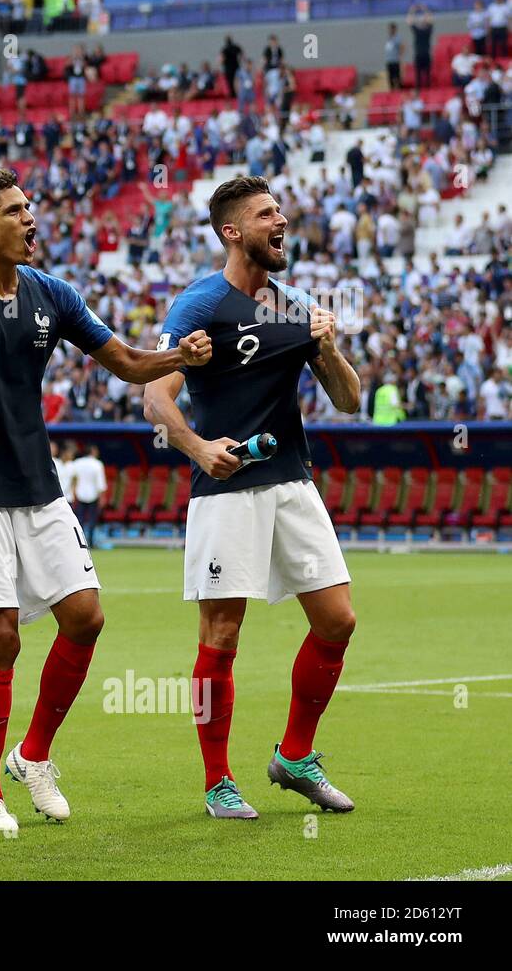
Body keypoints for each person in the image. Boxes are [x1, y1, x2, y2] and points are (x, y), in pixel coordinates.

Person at [0, 166, 212, 833]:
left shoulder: (53, 294)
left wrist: (181, 354)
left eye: (30, 206)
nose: (31, 218)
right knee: (0, 639)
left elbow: (122, 360)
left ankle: (32, 755)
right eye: (15, 210)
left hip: (39, 487)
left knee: (87, 618)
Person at [143, 175, 361, 821]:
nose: (282, 220)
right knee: (221, 635)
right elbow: (156, 397)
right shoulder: (200, 304)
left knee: (338, 620)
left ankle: (295, 757)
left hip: (292, 480)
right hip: (225, 489)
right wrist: (198, 446)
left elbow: (347, 400)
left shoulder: (296, 306)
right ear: (234, 231)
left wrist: (328, 345)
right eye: (268, 213)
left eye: (281, 210)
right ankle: (217, 782)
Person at [72, 444, 105, 542]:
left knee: (79, 520)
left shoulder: (76, 463)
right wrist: (102, 497)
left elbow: (73, 480)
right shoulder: (97, 464)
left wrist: (73, 494)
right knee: (92, 520)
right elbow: (100, 483)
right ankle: (90, 542)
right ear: (93, 452)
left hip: (79, 494)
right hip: (93, 495)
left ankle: (80, 542)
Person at [407, 3, 434, 89]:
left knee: (427, 76)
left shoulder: (427, 31)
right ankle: (419, 92)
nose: (422, 22)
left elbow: (430, 20)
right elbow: (409, 21)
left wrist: (424, 9)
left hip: (426, 54)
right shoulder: (417, 31)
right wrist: (412, 10)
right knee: (418, 76)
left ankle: (428, 91)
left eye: (423, 21)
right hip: (419, 54)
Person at [385, 23, 403, 92]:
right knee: (390, 77)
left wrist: (399, 56)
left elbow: (402, 47)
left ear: (394, 29)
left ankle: (398, 90)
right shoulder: (389, 38)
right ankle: (392, 90)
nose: (390, 30)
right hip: (389, 61)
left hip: (395, 61)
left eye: (391, 29)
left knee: (396, 77)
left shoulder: (397, 38)